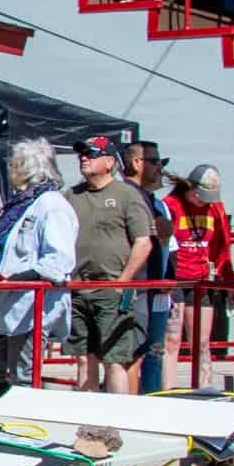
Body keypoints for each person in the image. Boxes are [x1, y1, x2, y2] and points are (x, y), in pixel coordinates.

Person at [0, 139, 78, 406]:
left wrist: (17, 278)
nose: (11, 169)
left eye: (16, 164)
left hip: (30, 307)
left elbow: (59, 261)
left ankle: (22, 427)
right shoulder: (20, 204)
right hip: (4, 304)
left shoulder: (52, 205)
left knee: (24, 375)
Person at [64, 136, 152, 394]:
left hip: (112, 291)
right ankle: (87, 422)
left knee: (114, 360)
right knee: (83, 358)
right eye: (82, 154)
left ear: (110, 161)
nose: (84, 158)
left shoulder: (126, 195)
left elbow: (143, 242)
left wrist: (122, 281)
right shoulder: (72, 195)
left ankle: (116, 421)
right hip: (78, 289)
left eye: (91, 154)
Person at [162, 164, 234, 386]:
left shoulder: (215, 209)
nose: (204, 201)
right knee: (172, 340)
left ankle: (204, 389)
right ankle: (168, 391)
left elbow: (222, 247)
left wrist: (229, 282)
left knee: (202, 341)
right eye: (201, 196)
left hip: (201, 280)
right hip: (175, 279)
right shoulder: (171, 206)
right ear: (191, 188)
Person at [124, 140, 173, 393]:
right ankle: (130, 411)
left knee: (152, 351)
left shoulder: (154, 201)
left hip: (154, 286)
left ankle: (149, 401)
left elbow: (165, 244)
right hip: (135, 286)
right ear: (136, 163)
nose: (159, 168)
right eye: (155, 162)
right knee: (132, 352)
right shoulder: (128, 197)